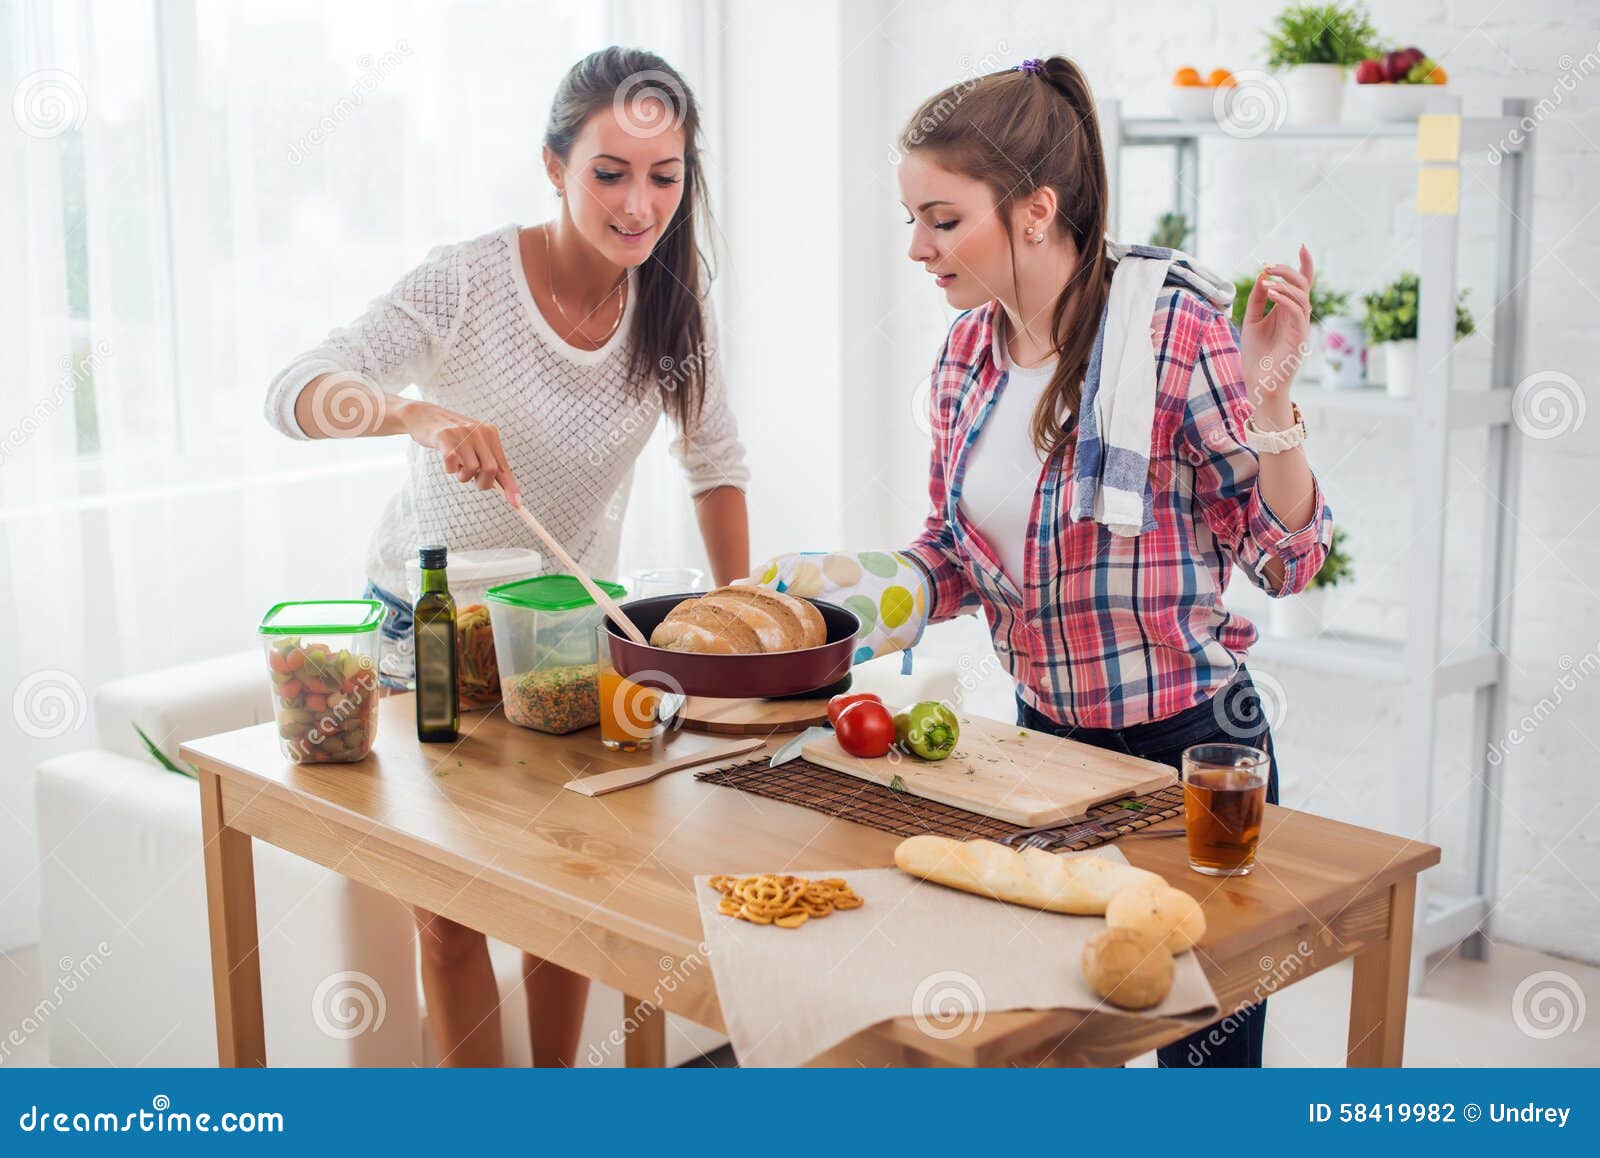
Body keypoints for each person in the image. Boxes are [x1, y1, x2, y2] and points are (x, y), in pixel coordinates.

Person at [758, 55, 1331, 1067]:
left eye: (941, 219)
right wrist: (835, 601)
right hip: (1043, 747)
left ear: (1034, 211)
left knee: (1203, 1055)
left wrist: (1273, 404)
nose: (916, 248)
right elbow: (954, 554)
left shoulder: (1171, 327)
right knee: (1056, 1040)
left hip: (1190, 749)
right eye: (910, 219)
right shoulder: (966, 358)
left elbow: (1286, 562)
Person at [263, 46, 750, 1066]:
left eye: (665, 177)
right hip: (425, 639)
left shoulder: (671, 301)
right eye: (609, 172)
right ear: (553, 165)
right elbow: (297, 390)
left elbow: (715, 461)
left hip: (561, 644)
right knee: (448, 916)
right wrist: (415, 413)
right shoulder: (468, 280)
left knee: (565, 900)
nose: (637, 204)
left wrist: (736, 628)